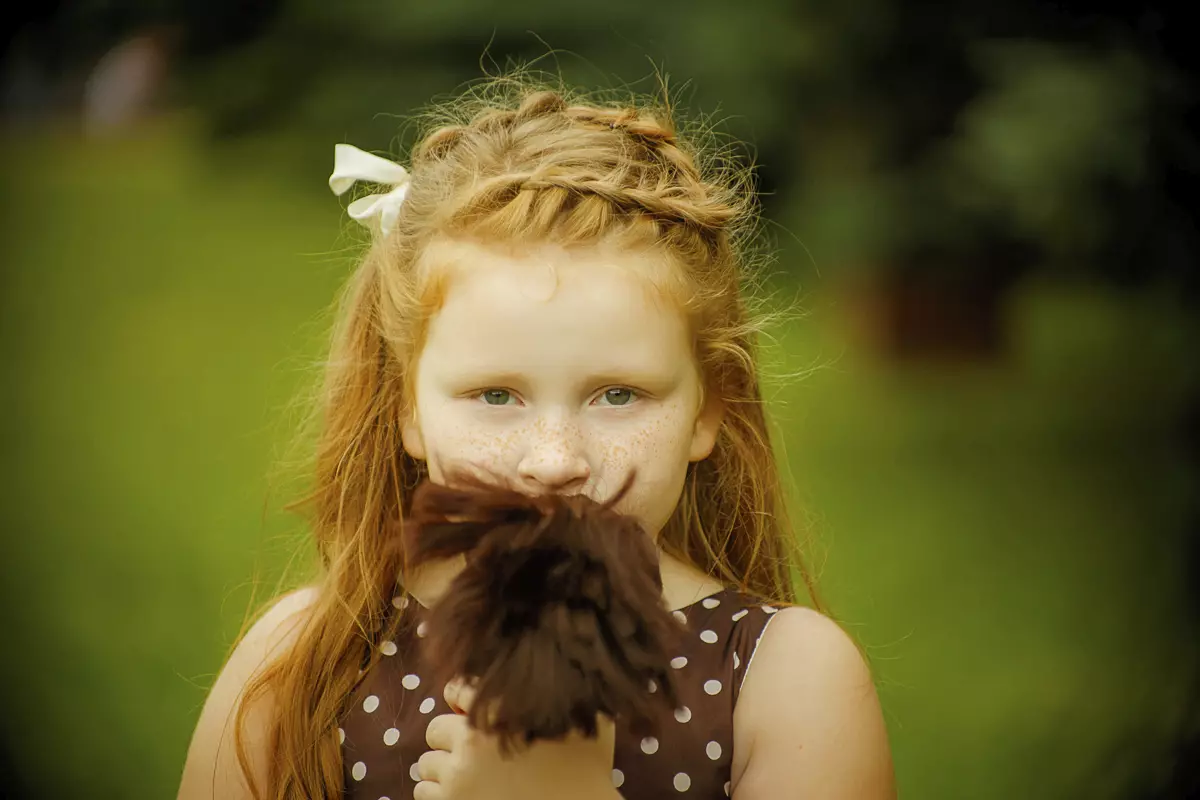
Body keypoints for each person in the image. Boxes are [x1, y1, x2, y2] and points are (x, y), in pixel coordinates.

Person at [176, 72, 895, 800]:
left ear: (707, 412)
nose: (554, 459)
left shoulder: (785, 678)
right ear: (408, 411)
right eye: (496, 395)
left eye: (618, 395)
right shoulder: (300, 661)